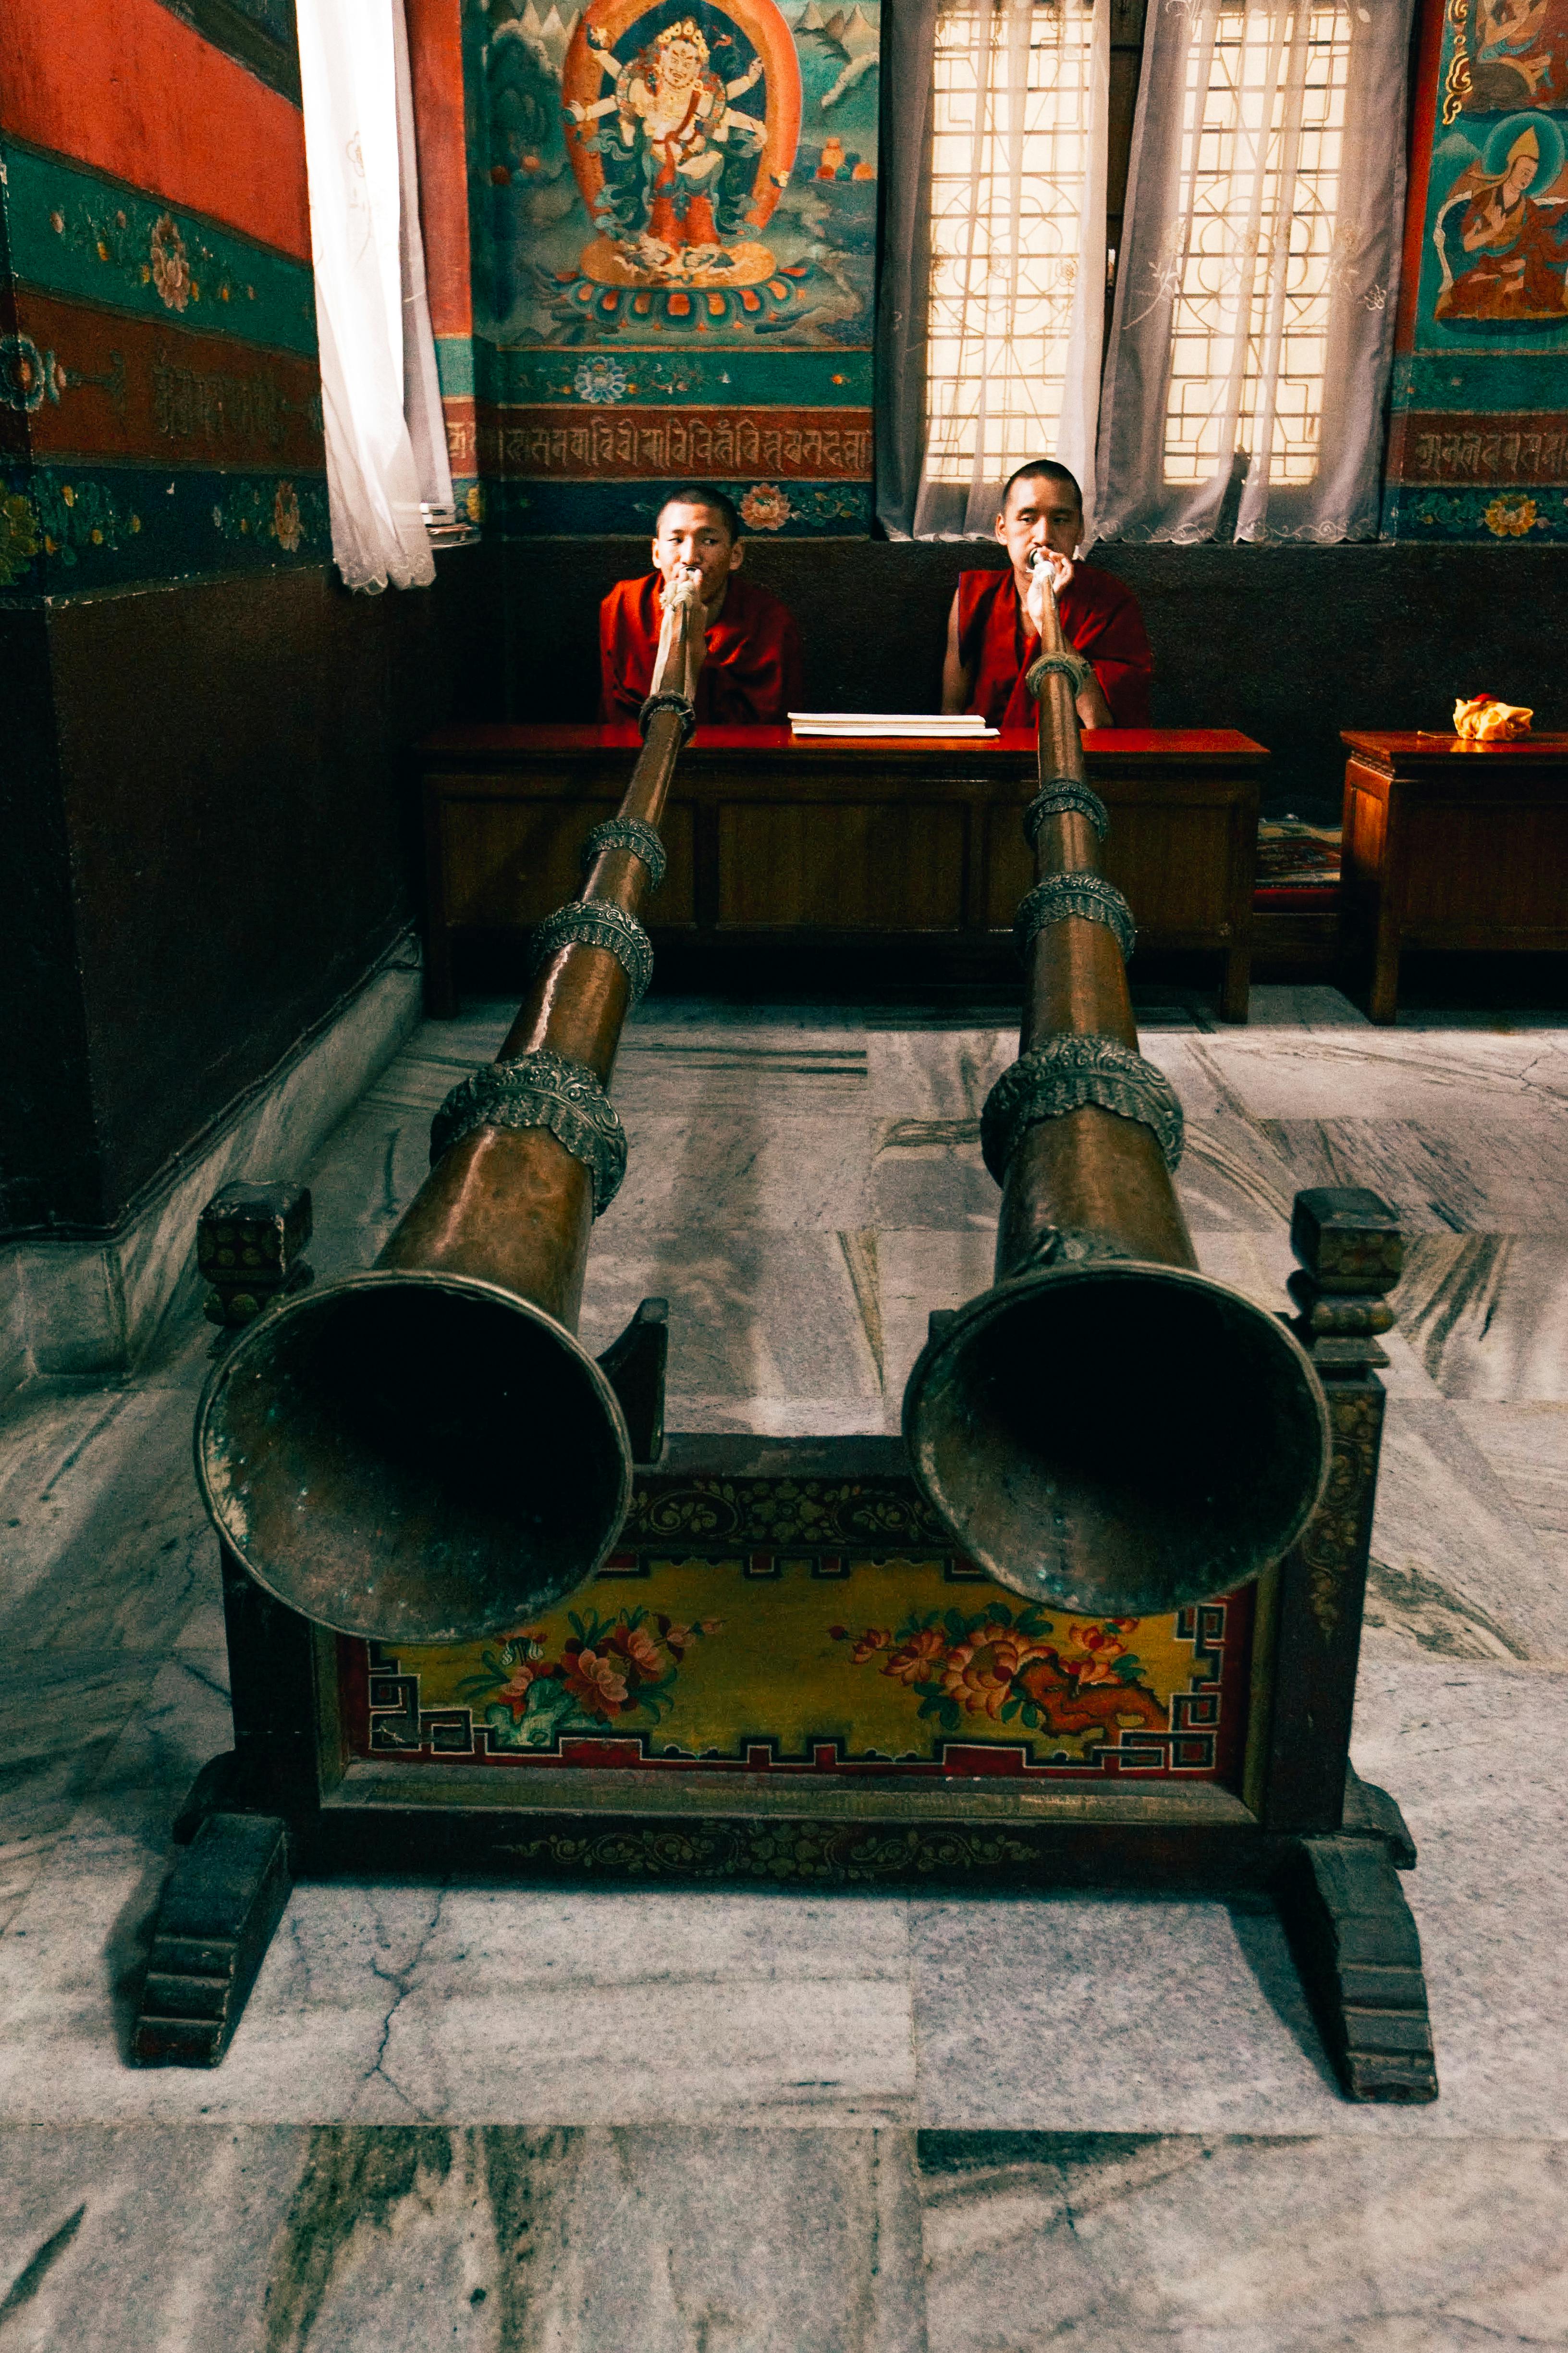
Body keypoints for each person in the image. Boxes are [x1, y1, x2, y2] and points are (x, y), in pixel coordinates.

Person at [941, 461, 1153, 731]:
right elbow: (951, 713)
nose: (1044, 537)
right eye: (1028, 519)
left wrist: (1046, 620)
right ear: (1002, 530)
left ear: (1080, 530)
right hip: (989, 764)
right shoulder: (974, 596)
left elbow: (1099, 724)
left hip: (1078, 768)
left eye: (1061, 520)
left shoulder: (1109, 603)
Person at [600, 485, 805, 727]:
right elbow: (615, 718)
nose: (690, 557)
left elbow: (772, 726)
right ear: (656, 553)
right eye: (676, 540)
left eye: (709, 541)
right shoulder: (624, 605)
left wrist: (696, 648)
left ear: (735, 555)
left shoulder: (769, 620)